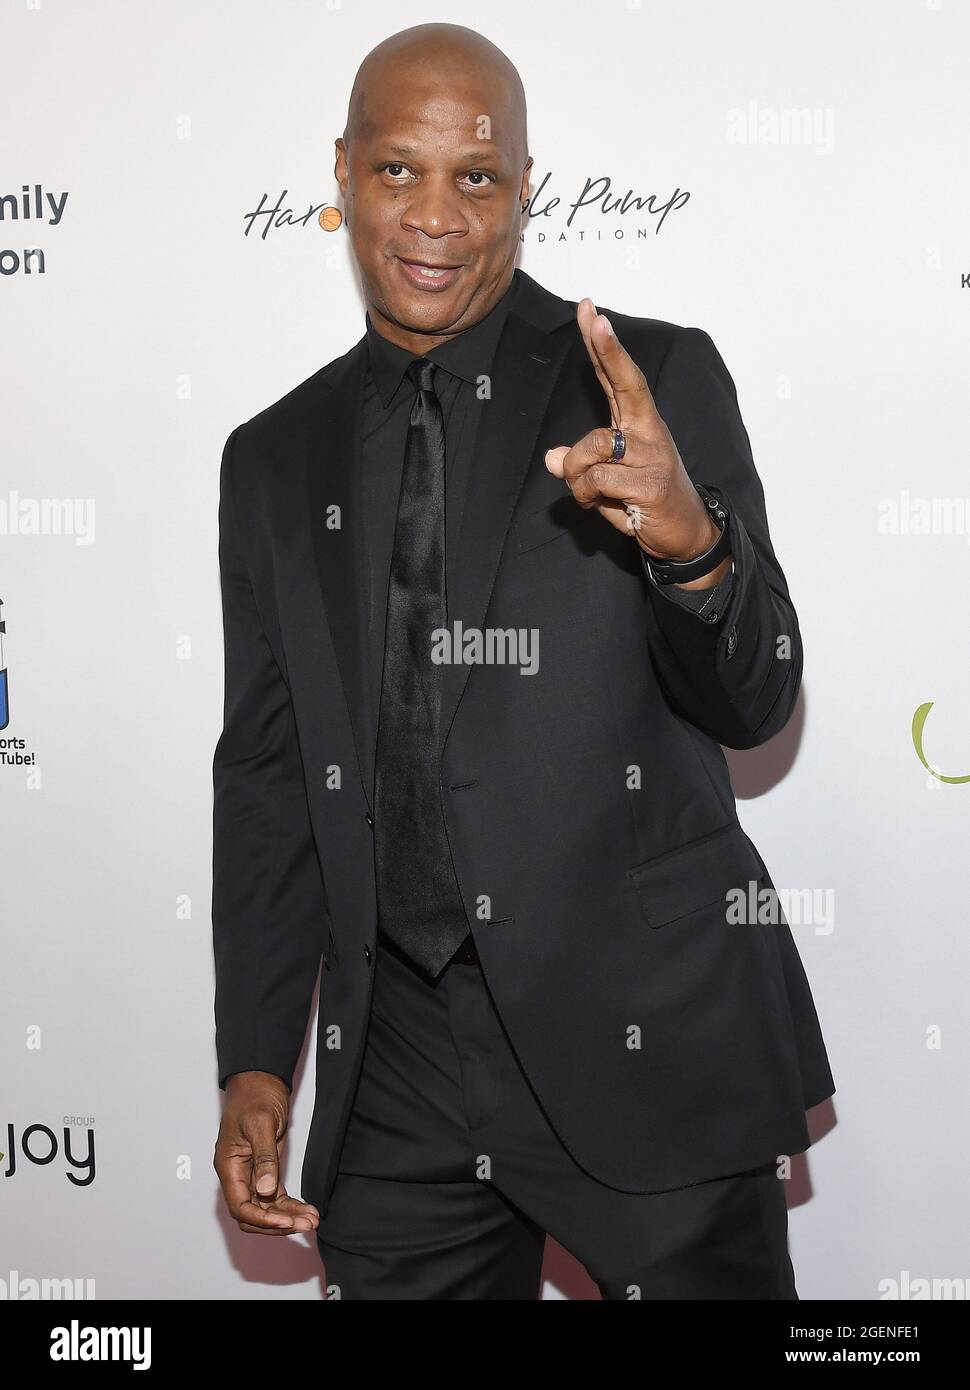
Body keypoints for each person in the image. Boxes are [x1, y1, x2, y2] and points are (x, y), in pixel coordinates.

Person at [211, 21, 835, 1300]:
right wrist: (259, 1054)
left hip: (646, 1030)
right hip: (398, 1072)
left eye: (478, 178)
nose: (436, 215)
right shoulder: (272, 460)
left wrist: (691, 545)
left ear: (527, 189)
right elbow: (270, 774)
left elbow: (757, 694)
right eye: (397, 170)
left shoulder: (648, 385)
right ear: (340, 172)